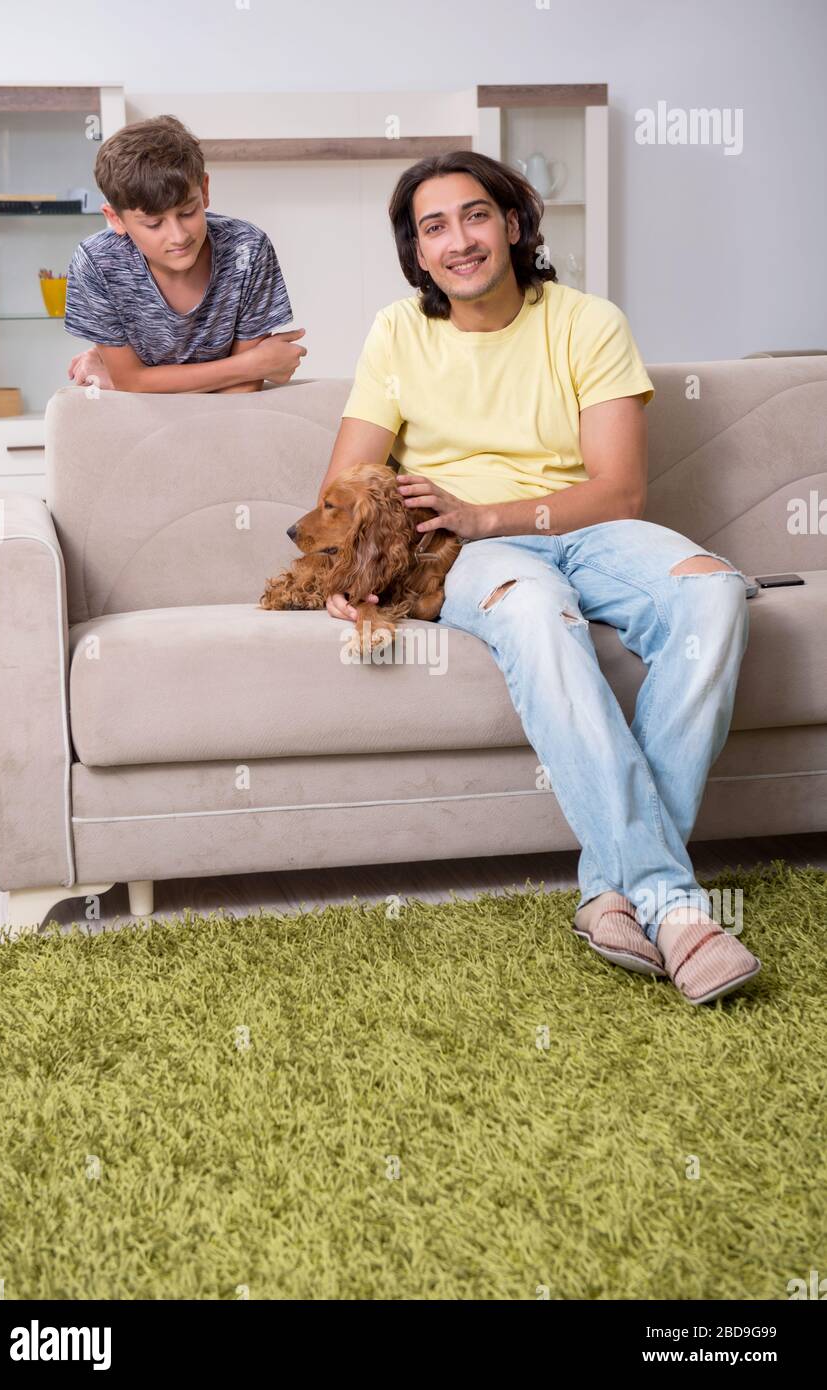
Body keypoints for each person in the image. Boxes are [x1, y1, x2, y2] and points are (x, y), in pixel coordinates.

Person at [316, 150, 761, 1006]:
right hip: (464, 549)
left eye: (475, 215)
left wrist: (493, 511)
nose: (458, 240)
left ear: (513, 225)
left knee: (711, 590)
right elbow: (342, 485)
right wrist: (353, 566)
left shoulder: (587, 322)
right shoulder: (397, 334)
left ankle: (611, 889)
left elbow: (619, 491)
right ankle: (675, 907)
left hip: (585, 529)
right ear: (416, 253)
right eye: (432, 227)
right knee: (536, 609)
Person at [64, 114, 306, 393]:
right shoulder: (97, 262)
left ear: (204, 190)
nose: (178, 236)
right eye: (154, 224)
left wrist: (134, 383)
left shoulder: (247, 249)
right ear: (115, 218)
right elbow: (131, 381)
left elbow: (242, 391)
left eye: (188, 212)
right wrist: (252, 364)